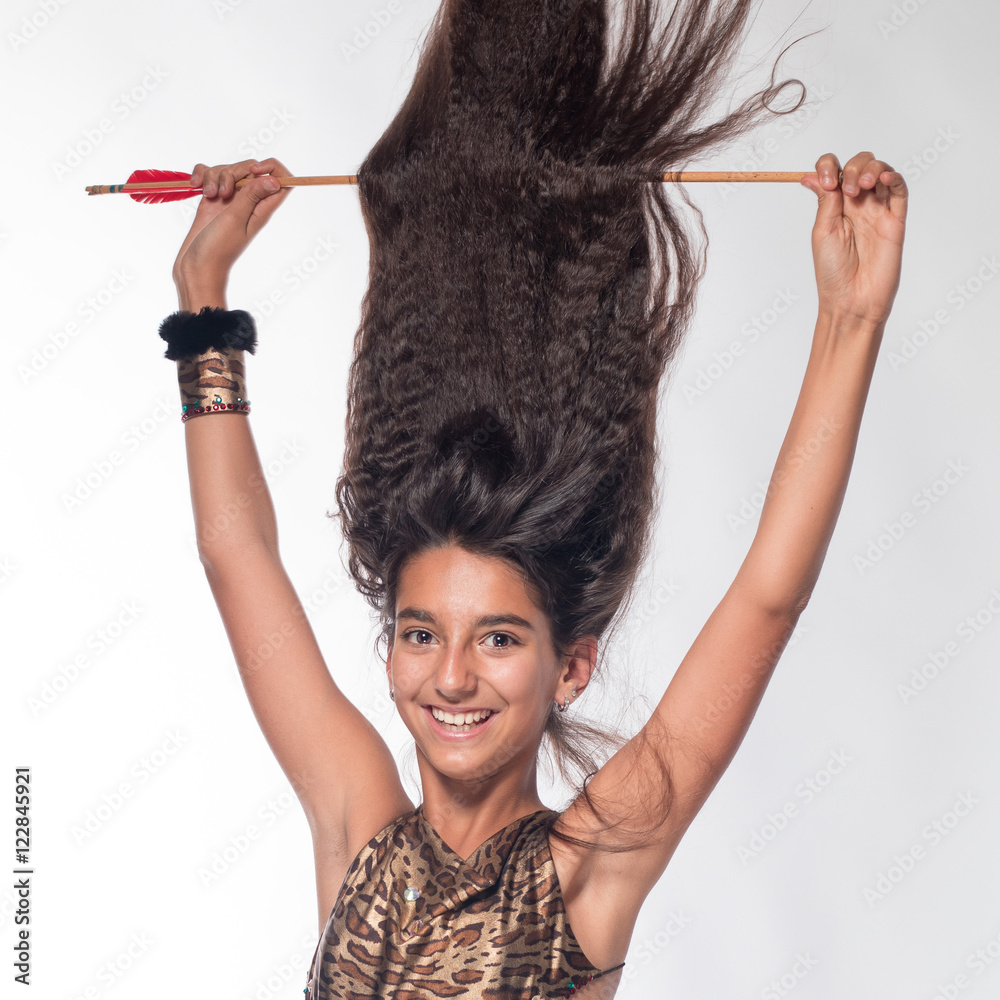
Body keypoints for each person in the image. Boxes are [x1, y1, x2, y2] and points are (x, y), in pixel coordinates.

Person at [160, 2, 907, 997]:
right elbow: (233, 554)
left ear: (572, 667)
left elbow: (767, 596)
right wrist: (203, 297)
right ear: (389, 652)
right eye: (421, 633)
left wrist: (850, 320)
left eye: (500, 638)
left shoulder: (589, 868)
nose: (452, 676)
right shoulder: (356, 826)